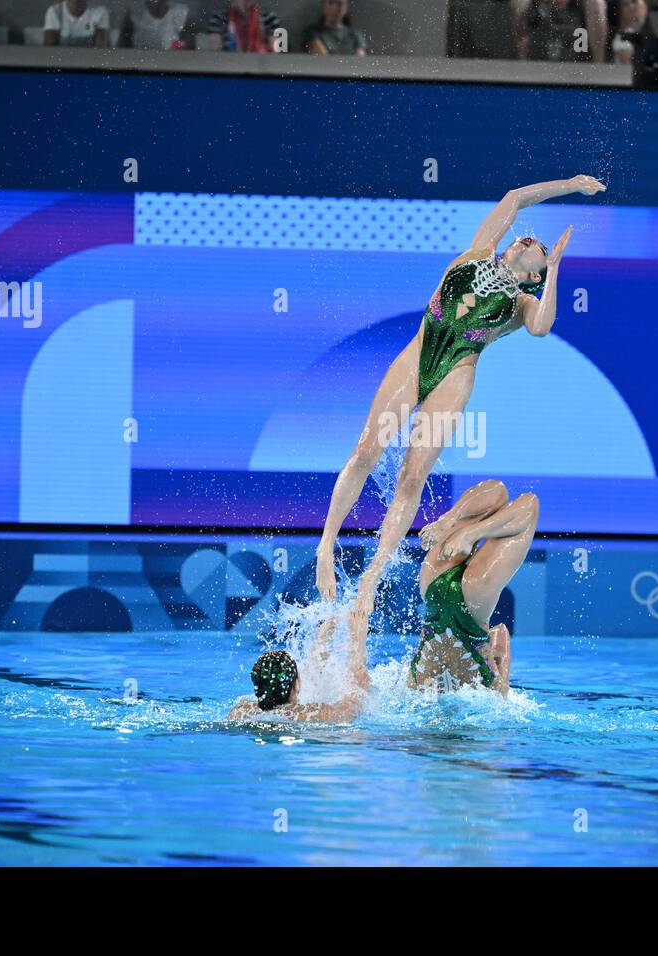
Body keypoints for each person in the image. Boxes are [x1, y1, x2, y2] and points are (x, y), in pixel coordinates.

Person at [311, 175, 605, 631]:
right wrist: (570, 184)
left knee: (412, 477)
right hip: (417, 358)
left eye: (541, 250)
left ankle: (370, 580)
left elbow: (542, 326)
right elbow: (515, 198)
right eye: (530, 238)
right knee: (367, 450)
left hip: (454, 375)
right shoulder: (478, 251)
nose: (532, 240)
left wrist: (557, 266)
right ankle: (326, 545)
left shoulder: (521, 304)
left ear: (534, 275)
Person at [409, 481, 538, 698]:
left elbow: (501, 635)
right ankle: (454, 523)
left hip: (472, 608)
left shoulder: (490, 692)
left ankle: (471, 532)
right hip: (433, 595)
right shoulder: (416, 683)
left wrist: (502, 674)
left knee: (529, 505)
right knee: (499, 492)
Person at [227, 616, 369, 722]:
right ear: (296, 684)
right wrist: (358, 638)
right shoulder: (313, 713)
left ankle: (323, 636)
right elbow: (352, 705)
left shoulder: (240, 711)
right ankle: (324, 633)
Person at [207, 0, 280, 52]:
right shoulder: (219, 18)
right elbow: (215, 53)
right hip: (229, 65)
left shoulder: (269, 17)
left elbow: (274, 54)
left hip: (260, 65)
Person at [120, 0, 195, 49]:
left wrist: (173, 45)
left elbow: (187, 44)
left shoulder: (179, 13)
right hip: (139, 63)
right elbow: (123, 46)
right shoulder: (135, 15)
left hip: (170, 62)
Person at [43, 0, 110, 47]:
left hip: (90, 62)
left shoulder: (99, 12)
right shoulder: (55, 11)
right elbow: (49, 51)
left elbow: (101, 50)